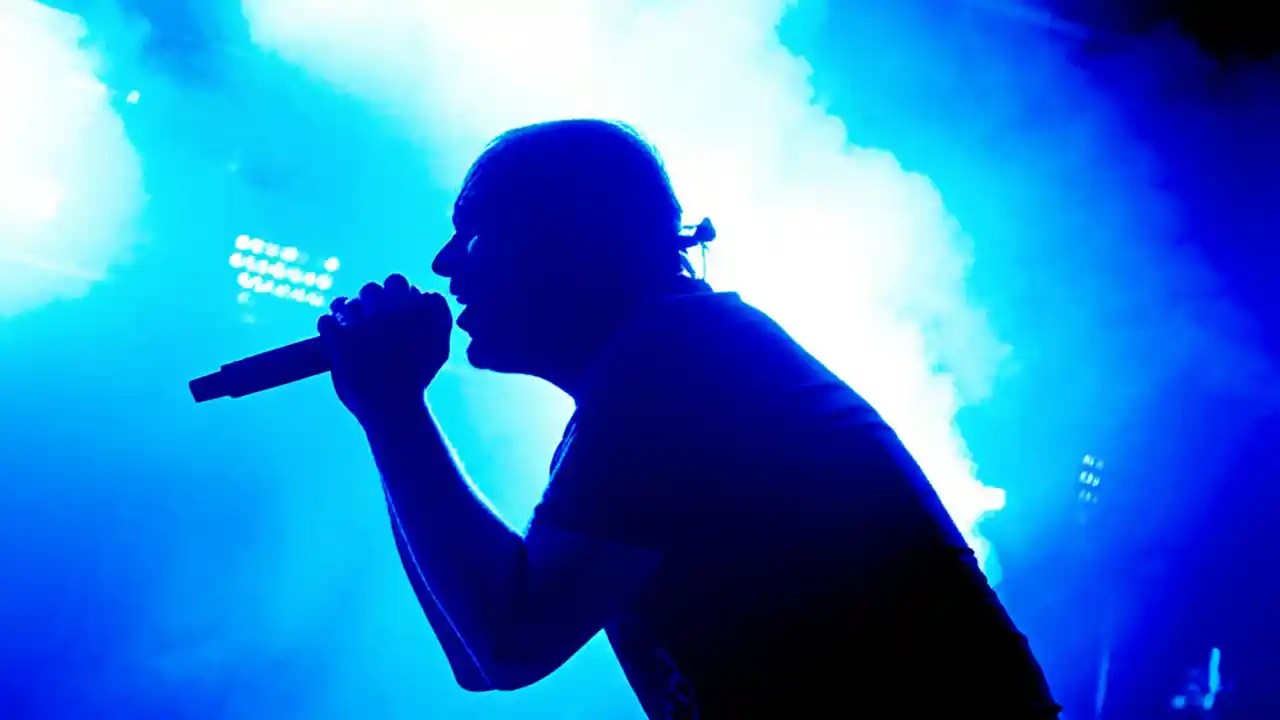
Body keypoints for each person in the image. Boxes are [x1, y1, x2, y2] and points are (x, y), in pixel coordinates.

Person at [317, 118, 1059, 718]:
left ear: (567, 241)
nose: (446, 265)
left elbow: (510, 643)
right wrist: (386, 407)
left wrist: (393, 409)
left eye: (474, 233)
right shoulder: (661, 365)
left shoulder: (677, 361)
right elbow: (479, 653)